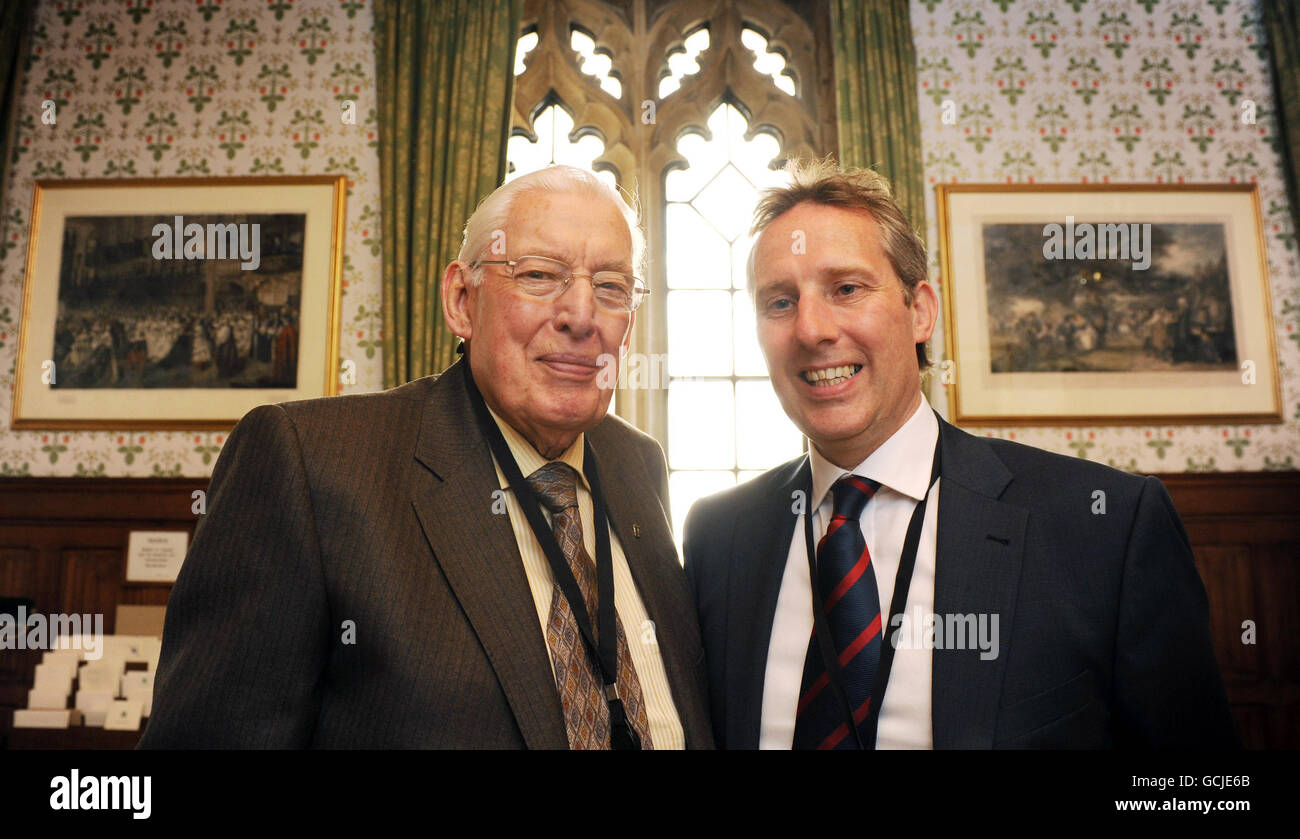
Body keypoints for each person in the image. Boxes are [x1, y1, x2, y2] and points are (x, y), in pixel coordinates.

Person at [140, 165, 712, 749]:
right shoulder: (308, 463)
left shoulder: (638, 463)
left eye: (612, 287)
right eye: (540, 275)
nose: (582, 316)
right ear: (462, 301)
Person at [683, 160, 1238, 749]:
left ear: (920, 311)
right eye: (779, 302)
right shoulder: (719, 536)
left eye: (846, 289)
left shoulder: (1108, 527)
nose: (811, 329)